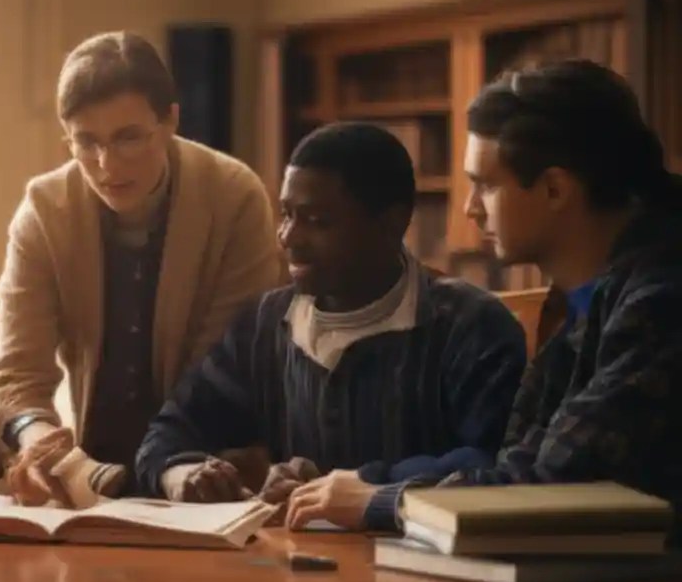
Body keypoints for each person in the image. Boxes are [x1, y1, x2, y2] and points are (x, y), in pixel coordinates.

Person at [321, 59, 682, 536]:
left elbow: (555, 486)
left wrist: (385, 501)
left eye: (485, 185)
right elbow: (519, 458)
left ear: (555, 189)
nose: (470, 209)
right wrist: (373, 481)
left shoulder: (659, 300)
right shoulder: (583, 302)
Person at [135, 122, 528, 530]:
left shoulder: (470, 327)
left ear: (392, 224)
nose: (289, 237)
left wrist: (361, 483)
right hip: (302, 575)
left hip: (431, 578)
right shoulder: (266, 325)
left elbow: (496, 463)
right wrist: (181, 475)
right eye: (286, 214)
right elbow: (169, 432)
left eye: (317, 221)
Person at [0, 31, 287, 508]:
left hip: (207, 475)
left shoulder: (234, 198)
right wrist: (36, 438)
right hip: (90, 482)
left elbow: (224, 374)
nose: (107, 165)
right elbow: (15, 374)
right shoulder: (45, 210)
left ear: (170, 121)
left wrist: (167, 467)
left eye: (128, 138)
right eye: (86, 142)